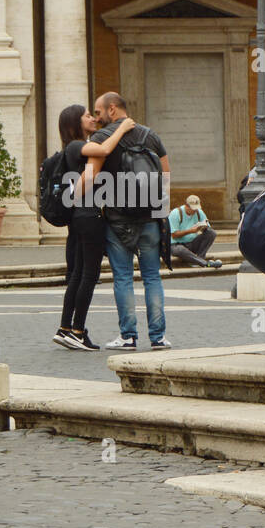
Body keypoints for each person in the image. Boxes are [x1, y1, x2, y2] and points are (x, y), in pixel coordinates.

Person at [84, 91, 172, 351]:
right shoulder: (150, 135)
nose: (97, 118)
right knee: (152, 277)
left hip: (117, 219)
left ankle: (128, 336)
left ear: (112, 110)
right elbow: (165, 175)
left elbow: (92, 177)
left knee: (122, 277)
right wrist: (160, 212)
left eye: (98, 112)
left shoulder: (101, 138)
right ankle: (158, 337)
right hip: (149, 218)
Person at [50, 104, 133, 351]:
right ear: (75, 123)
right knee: (89, 274)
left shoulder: (72, 148)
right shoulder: (76, 145)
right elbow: (105, 149)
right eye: (87, 116)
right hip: (90, 215)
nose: (92, 118)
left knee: (77, 273)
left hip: (79, 216)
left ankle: (66, 328)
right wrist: (123, 127)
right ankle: (77, 330)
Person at [168, 195, 223, 268]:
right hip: (175, 245)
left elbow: (207, 227)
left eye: (196, 209)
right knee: (180, 250)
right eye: (193, 209)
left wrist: (203, 227)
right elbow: (174, 235)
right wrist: (190, 231)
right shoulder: (176, 213)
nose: (195, 211)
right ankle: (204, 263)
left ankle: (200, 258)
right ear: (186, 206)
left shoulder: (198, 212)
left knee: (211, 233)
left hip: (191, 243)